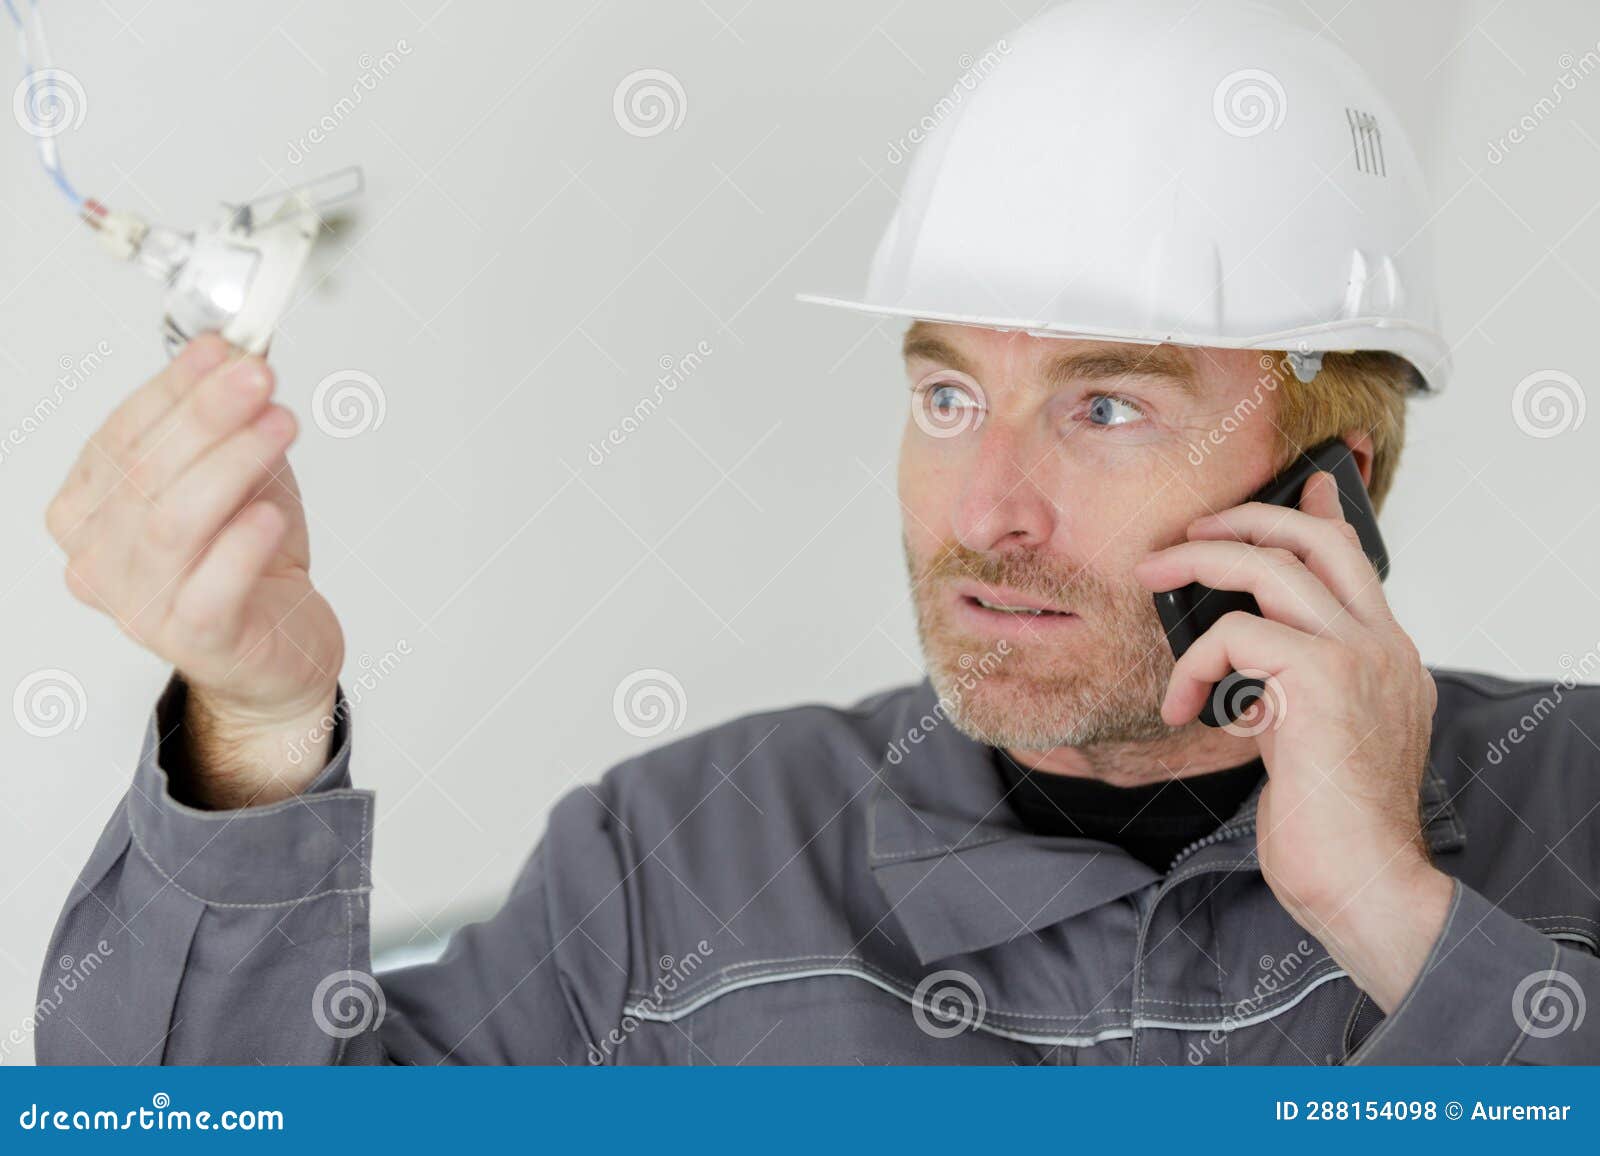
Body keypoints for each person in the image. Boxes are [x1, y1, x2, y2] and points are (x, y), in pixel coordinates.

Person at [37, 0, 1600, 1065]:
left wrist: (1398, 919)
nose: (988, 512)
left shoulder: (1574, 805)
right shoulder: (683, 862)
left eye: (1105, 407)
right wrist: (250, 729)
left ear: (1338, 481)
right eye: (944, 398)